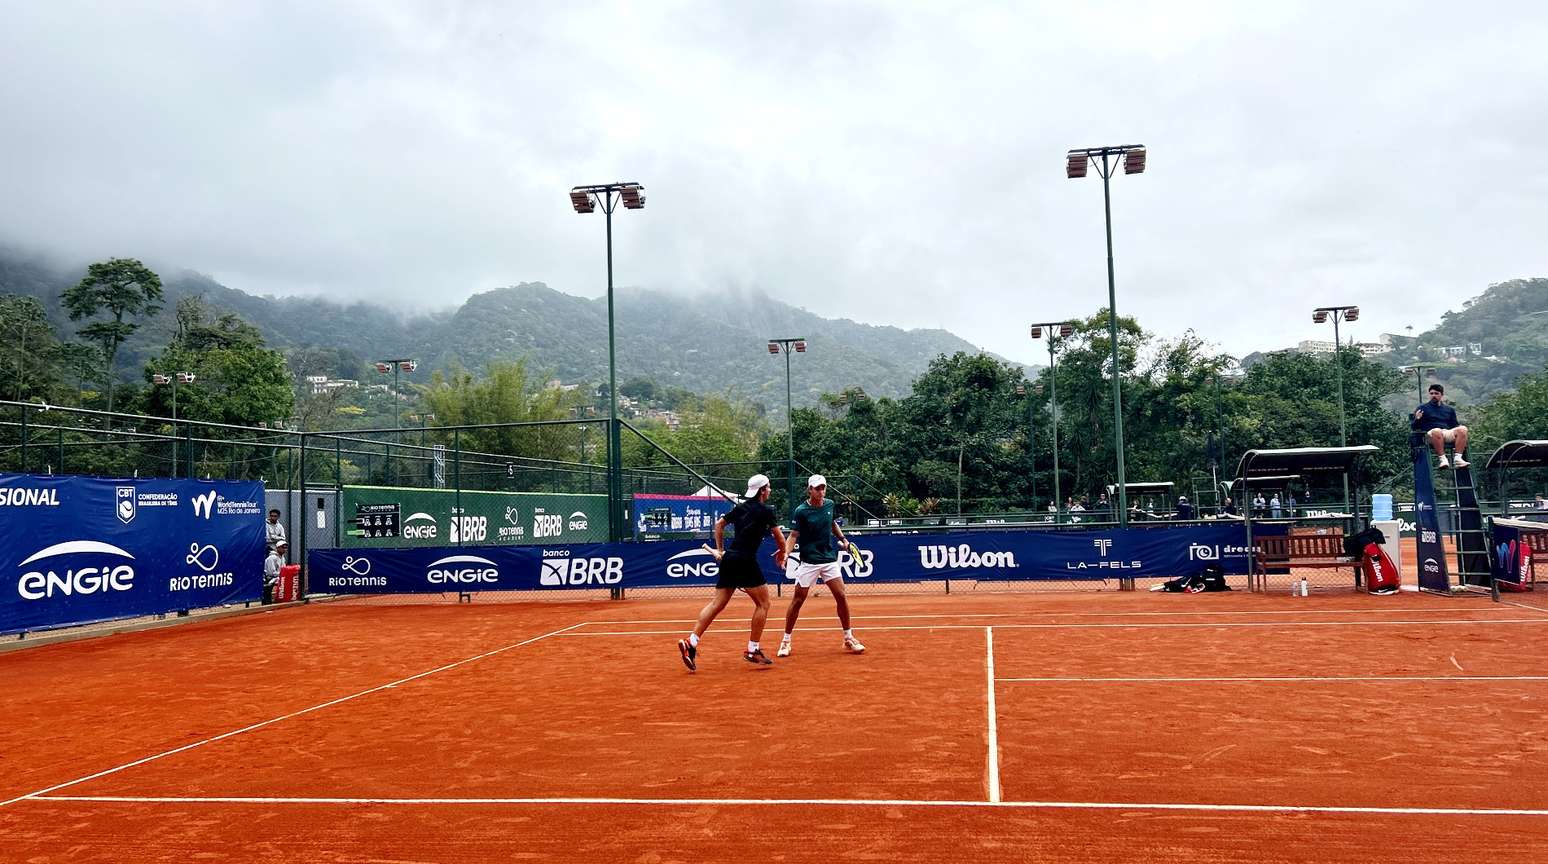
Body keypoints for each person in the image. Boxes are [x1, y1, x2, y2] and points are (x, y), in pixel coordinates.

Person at [678, 474, 788, 670]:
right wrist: (783, 551)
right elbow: (779, 537)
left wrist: (720, 550)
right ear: (762, 490)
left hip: (730, 559)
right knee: (764, 603)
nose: (770, 490)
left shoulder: (740, 508)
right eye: (768, 487)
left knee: (716, 604)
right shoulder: (766, 511)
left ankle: (691, 642)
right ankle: (753, 649)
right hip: (746, 560)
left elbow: (719, 524)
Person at [778, 474, 865, 657]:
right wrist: (786, 553)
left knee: (841, 595)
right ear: (809, 490)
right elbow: (794, 535)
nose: (821, 491)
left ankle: (848, 638)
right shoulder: (801, 511)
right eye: (817, 488)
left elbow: (832, 523)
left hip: (829, 560)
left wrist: (843, 540)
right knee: (798, 600)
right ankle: (786, 641)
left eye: (823, 487)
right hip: (809, 561)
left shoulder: (829, 504)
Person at [1413, 383, 1470, 468]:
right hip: (1430, 435)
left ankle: (1458, 459)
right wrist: (1417, 419)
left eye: (1436, 393)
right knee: (1437, 431)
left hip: (1445, 432)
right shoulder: (1422, 408)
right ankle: (1443, 460)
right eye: (1431, 393)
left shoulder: (1449, 410)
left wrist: (1461, 432)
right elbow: (1414, 427)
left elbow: (1454, 425)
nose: (1433, 395)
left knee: (1463, 429)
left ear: (1441, 395)